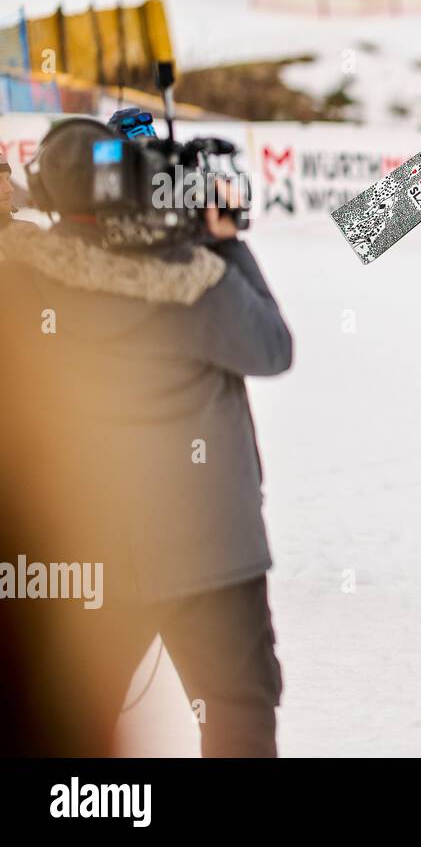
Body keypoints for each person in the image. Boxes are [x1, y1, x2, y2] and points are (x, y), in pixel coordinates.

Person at [0, 117, 293, 754]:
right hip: (212, 555)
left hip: (84, 549)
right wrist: (222, 242)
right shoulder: (196, 280)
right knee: (238, 713)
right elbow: (272, 348)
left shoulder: (22, 281)